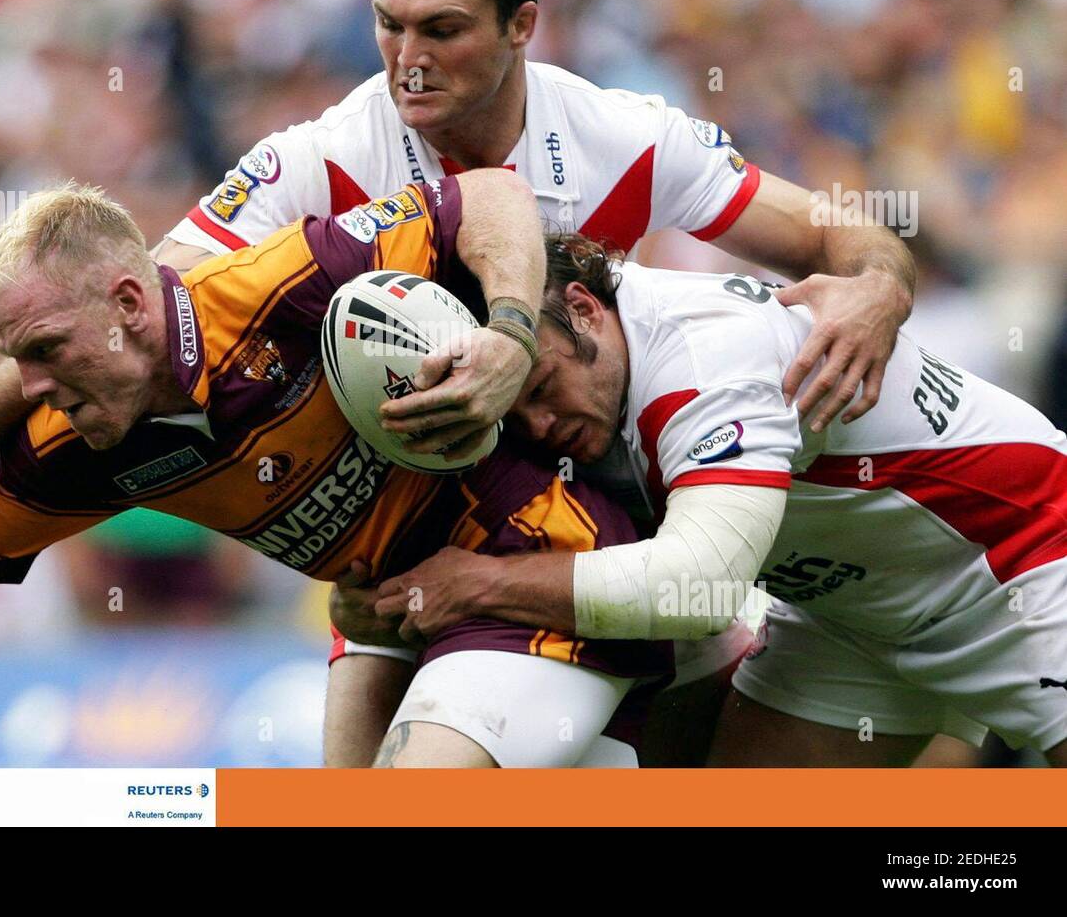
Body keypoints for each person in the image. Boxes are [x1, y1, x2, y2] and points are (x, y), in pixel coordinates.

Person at [0, 0, 916, 765]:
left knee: (718, 738)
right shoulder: (319, 159)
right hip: (401, 538)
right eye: (386, 25)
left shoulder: (623, 138)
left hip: (627, 496)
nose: (406, 60)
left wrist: (878, 285)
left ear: (521, 27)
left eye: (441, 29)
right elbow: (112, 310)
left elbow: (844, 240)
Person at [0, 177, 676, 769]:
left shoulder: (282, 284)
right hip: (388, 613)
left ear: (128, 306)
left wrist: (513, 331)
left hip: (535, 560)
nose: (30, 388)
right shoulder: (68, 446)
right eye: (15, 361)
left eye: (46, 351)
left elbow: (490, 195)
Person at [362, 234, 1067, 767]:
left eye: (541, 389)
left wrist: (477, 584)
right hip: (850, 620)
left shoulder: (706, 364)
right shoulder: (595, 361)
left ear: (584, 307)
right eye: (514, 418)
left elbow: (695, 587)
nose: (540, 429)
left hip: (1025, 560)